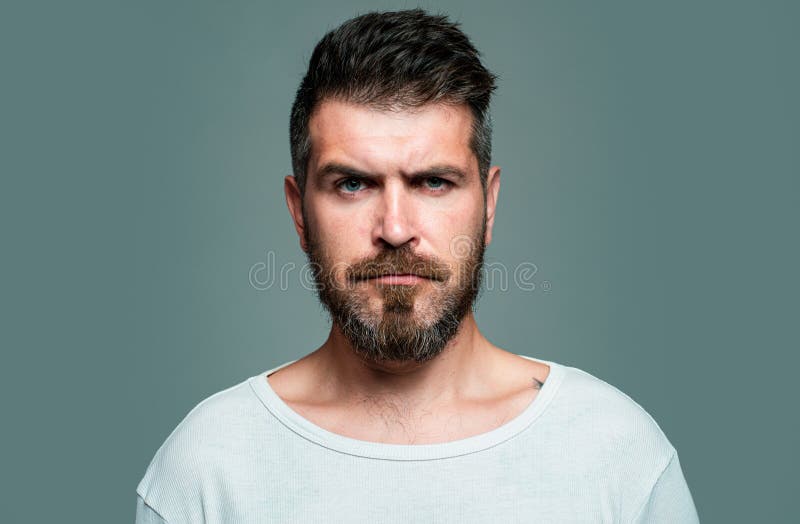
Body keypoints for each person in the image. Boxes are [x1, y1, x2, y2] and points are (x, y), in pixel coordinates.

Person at [135, 9, 699, 523]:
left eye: (434, 182)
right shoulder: (206, 467)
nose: (396, 229)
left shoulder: (616, 453)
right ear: (298, 211)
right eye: (352, 184)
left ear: (489, 204)